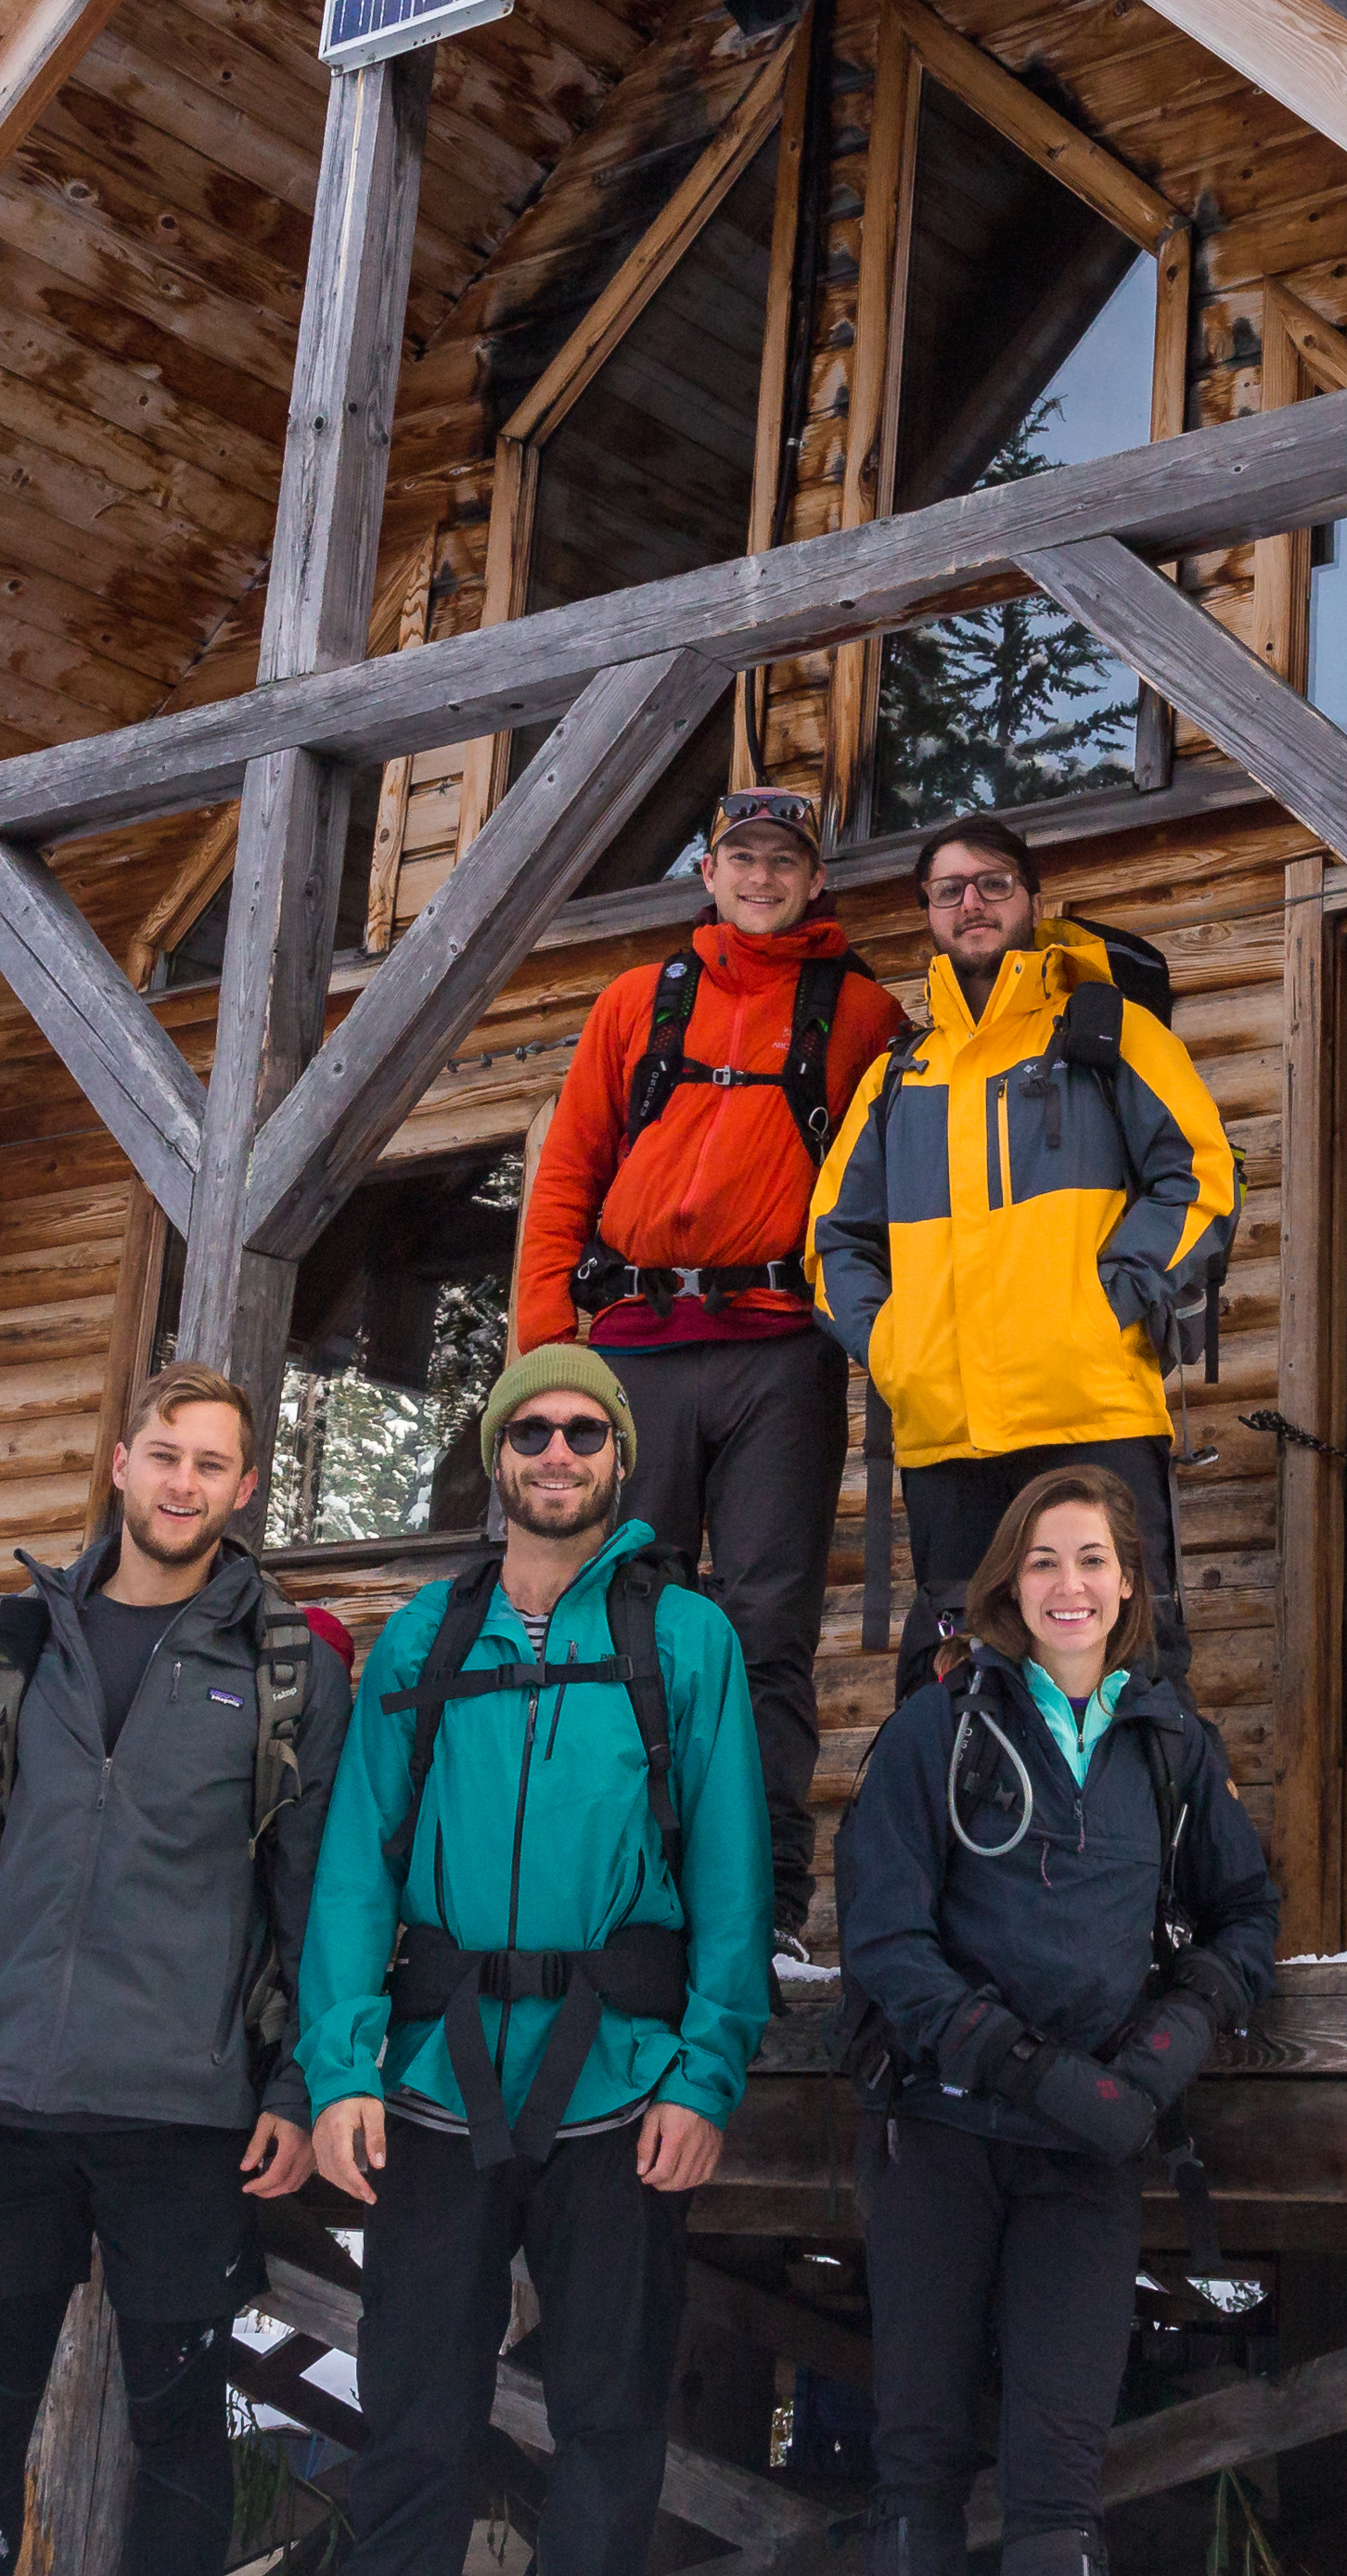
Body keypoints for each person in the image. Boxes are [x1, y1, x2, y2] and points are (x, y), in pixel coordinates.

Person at [0, 1364, 351, 2576]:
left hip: (181, 2116)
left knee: (179, 2430)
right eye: (166, 1454)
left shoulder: (288, 1670)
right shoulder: (12, 1646)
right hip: (1, 2099)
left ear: (246, 1487)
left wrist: (291, 2090)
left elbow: (314, 1905)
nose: (184, 1483)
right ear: (123, 1462)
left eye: (212, 1463)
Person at [298, 1341, 776, 2576]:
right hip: (436, 2076)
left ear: (620, 1456)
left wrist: (707, 2074)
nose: (556, 1453)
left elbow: (734, 1876)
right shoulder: (421, 1640)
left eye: (582, 1432)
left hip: (621, 2078)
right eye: (530, 1432)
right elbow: (356, 1865)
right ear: (495, 1458)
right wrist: (342, 2068)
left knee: (612, 2423)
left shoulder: (685, 1638)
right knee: (410, 2418)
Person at [840, 1466, 1278, 2576]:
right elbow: (886, 1939)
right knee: (919, 2456)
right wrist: (1023, 2066)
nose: (1067, 1584)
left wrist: (1164, 2056)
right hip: (941, 2133)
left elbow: (1246, 1919)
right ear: (1008, 1583)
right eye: (1043, 1561)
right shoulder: (936, 1729)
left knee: (1058, 2471)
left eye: (1091, 1560)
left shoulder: (1172, 1745)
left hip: (1091, 2148)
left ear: (1129, 1584)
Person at [513, 784, 904, 1933]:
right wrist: (548, 1356)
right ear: (709, 871)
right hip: (632, 1352)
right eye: (743, 857)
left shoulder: (867, 1015)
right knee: (618, 1609)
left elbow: (896, 1197)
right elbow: (569, 1175)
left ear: (816, 877)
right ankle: (614, 1882)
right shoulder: (639, 1001)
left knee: (766, 1624)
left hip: (782, 1350)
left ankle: (764, 1901)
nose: (764, 876)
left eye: (786, 859)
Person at [808, 811, 1236, 1677]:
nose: (972, 902)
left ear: (1032, 899)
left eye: (994, 883)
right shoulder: (900, 1075)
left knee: (1128, 1667)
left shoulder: (1111, 1036)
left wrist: (1103, 1305)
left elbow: (1198, 1179)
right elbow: (834, 1240)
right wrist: (896, 1347)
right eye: (949, 889)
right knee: (964, 1678)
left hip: (1092, 1413)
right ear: (928, 911)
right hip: (945, 1434)